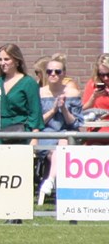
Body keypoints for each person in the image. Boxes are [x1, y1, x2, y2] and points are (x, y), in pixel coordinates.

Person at [33, 53, 81, 205]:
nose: (53, 74)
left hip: (66, 135)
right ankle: (52, 183)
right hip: (46, 135)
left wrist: (64, 109)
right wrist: (53, 110)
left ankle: (50, 180)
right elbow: (37, 123)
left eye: (57, 71)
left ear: (64, 74)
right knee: (59, 147)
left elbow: (75, 124)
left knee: (63, 142)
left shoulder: (72, 93)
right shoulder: (39, 93)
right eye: (49, 71)